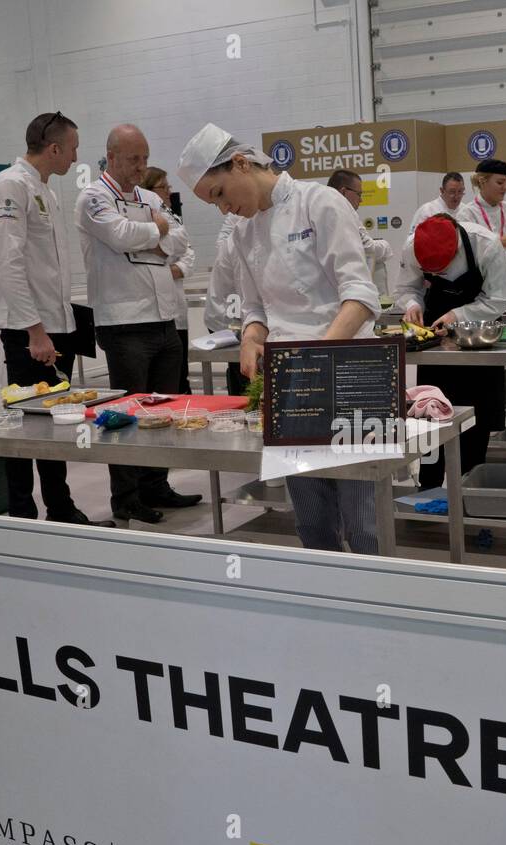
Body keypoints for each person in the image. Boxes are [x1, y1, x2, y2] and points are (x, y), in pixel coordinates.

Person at [179, 123, 382, 554]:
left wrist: (320, 357)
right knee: (311, 518)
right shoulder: (242, 231)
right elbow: (255, 308)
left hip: (352, 372)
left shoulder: (319, 203)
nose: (223, 209)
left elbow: (361, 295)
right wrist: (253, 336)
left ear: (239, 163)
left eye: (218, 194)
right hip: (292, 379)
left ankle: (377, 607)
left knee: (365, 518)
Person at [0, 111, 113, 527]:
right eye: (73, 148)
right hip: (29, 330)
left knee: (55, 423)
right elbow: (8, 262)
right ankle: (21, 513)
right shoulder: (10, 186)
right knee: (21, 423)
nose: (76, 156)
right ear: (54, 148)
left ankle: (60, 508)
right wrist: (34, 329)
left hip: (54, 325)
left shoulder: (44, 190)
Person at [76, 125, 202, 522]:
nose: (141, 166)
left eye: (145, 158)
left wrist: (152, 233)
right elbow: (119, 236)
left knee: (163, 411)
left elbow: (181, 239)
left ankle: (156, 485)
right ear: (111, 156)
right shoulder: (93, 197)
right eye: (134, 159)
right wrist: (157, 231)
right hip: (124, 323)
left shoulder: (149, 197)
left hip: (165, 321)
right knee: (127, 416)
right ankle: (126, 497)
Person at [396, 214, 506, 489]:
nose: (435, 277)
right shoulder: (412, 245)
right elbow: (406, 288)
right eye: (431, 273)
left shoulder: (485, 244)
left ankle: (471, 494)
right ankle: (427, 491)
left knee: (475, 422)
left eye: (441, 270)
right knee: (430, 417)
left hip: (477, 338)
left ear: (457, 248)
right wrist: (412, 304)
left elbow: (497, 299)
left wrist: (457, 315)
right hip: (435, 342)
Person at [140, 166, 197, 394]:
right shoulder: (145, 215)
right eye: (163, 187)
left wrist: (172, 265)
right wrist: (163, 259)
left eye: (168, 187)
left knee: (180, 375)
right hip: (153, 312)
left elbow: (187, 250)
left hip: (176, 310)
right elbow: (143, 252)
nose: (168, 192)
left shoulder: (172, 216)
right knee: (158, 381)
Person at [203, 213, 249, 396]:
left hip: (239, 314)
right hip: (228, 317)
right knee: (243, 371)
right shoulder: (237, 242)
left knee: (242, 370)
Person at [327, 169, 394, 291]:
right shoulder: (345, 213)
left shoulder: (318, 210)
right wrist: (386, 247)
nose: (361, 200)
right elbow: (368, 249)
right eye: (359, 194)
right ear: (343, 192)